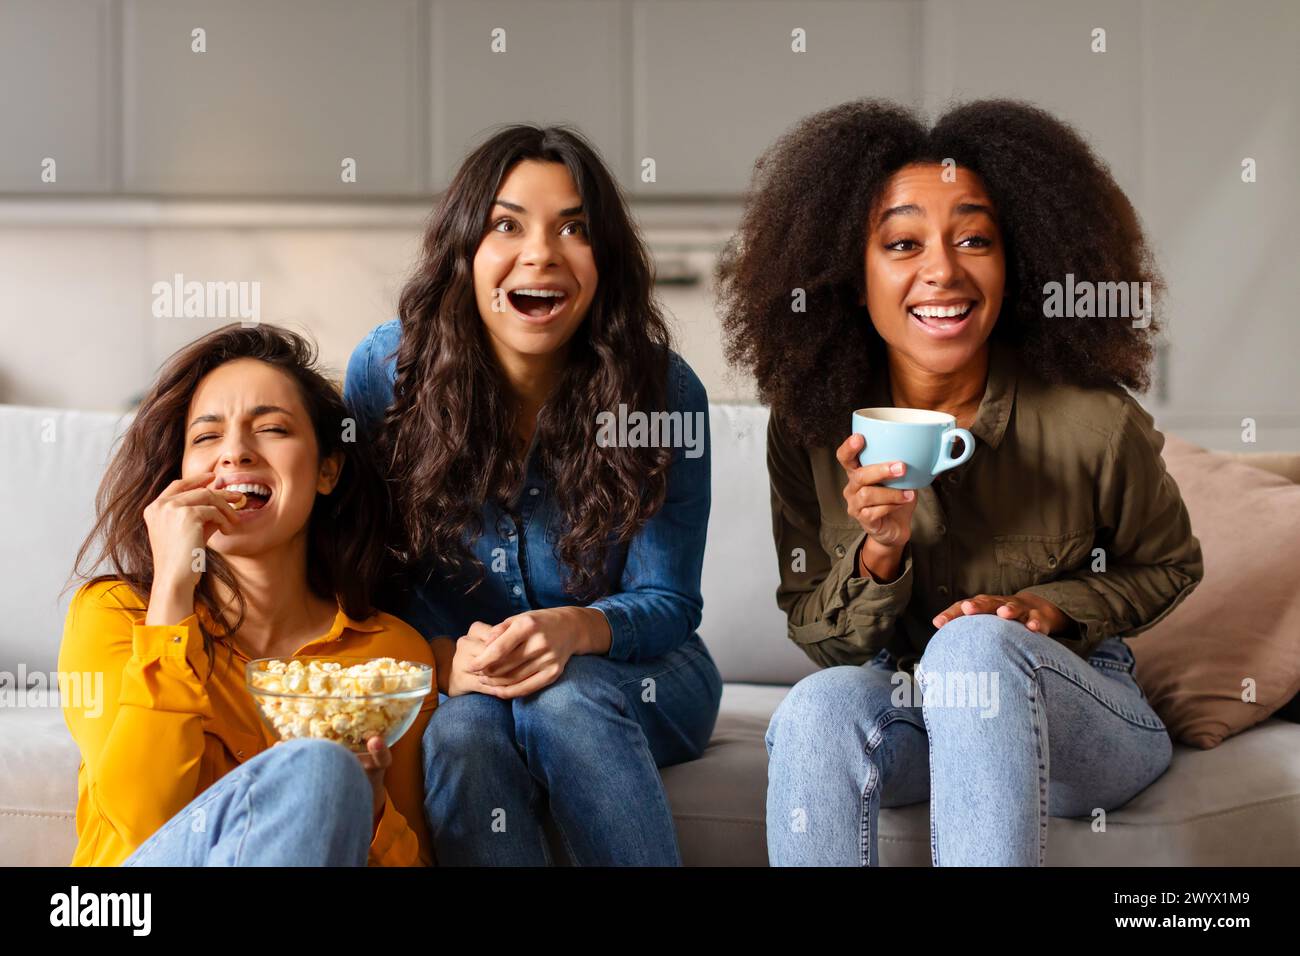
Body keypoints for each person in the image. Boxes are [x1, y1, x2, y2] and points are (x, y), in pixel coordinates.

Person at [715, 98, 1204, 866]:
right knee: (817, 708)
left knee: (974, 649)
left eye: (974, 238)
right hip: (911, 702)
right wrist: (879, 555)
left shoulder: (1092, 422)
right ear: (851, 272)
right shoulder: (810, 429)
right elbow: (821, 636)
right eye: (903, 243)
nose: (942, 269)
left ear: (1019, 262)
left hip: (1083, 718)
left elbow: (1171, 564)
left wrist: (1051, 608)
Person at [345, 124, 721, 865]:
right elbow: (365, 574)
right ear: (464, 252)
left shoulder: (665, 392)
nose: (541, 253)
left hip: (643, 675)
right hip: (465, 683)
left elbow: (670, 602)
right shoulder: (387, 375)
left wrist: (574, 630)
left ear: (604, 260)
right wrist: (443, 659)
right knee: (461, 729)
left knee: (566, 698)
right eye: (506, 225)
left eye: (573, 228)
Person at [61, 323, 436, 866]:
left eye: (272, 429)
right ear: (181, 474)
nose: (234, 453)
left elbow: (414, 859)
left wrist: (371, 809)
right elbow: (142, 821)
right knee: (319, 765)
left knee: (325, 773)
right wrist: (172, 588)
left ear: (327, 469)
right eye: (206, 437)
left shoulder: (392, 656)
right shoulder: (112, 615)